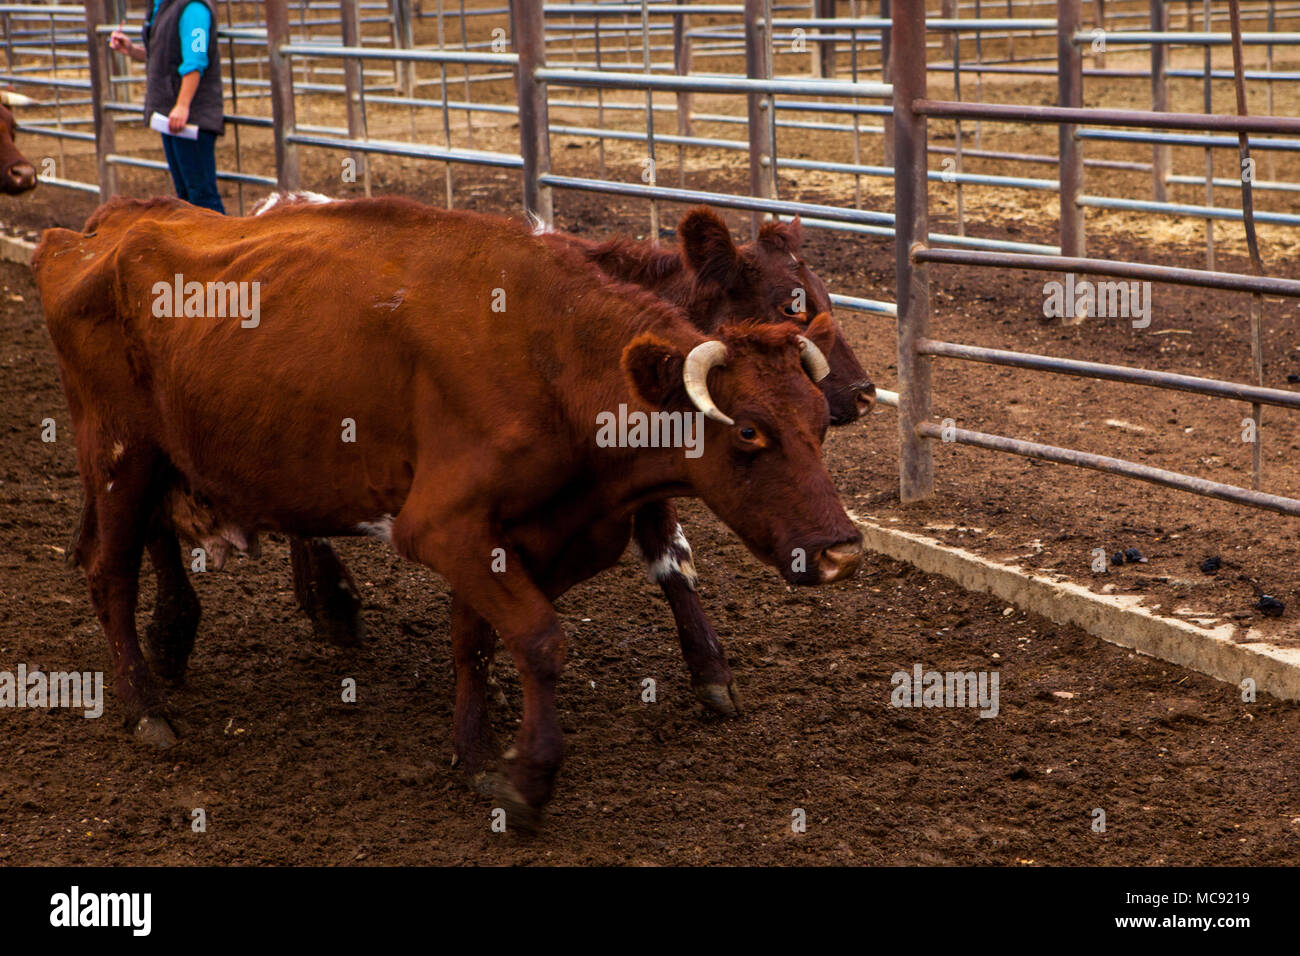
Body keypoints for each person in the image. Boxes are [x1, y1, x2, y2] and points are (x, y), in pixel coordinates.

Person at [110, 1, 225, 213]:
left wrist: (182, 105)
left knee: (201, 195)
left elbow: (196, 59)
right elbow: (164, 53)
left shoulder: (193, 8)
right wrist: (132, 50)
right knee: (186, 195)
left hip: (191, 115)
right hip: (172, 113)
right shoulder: (163, 6)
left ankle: (220, 244)